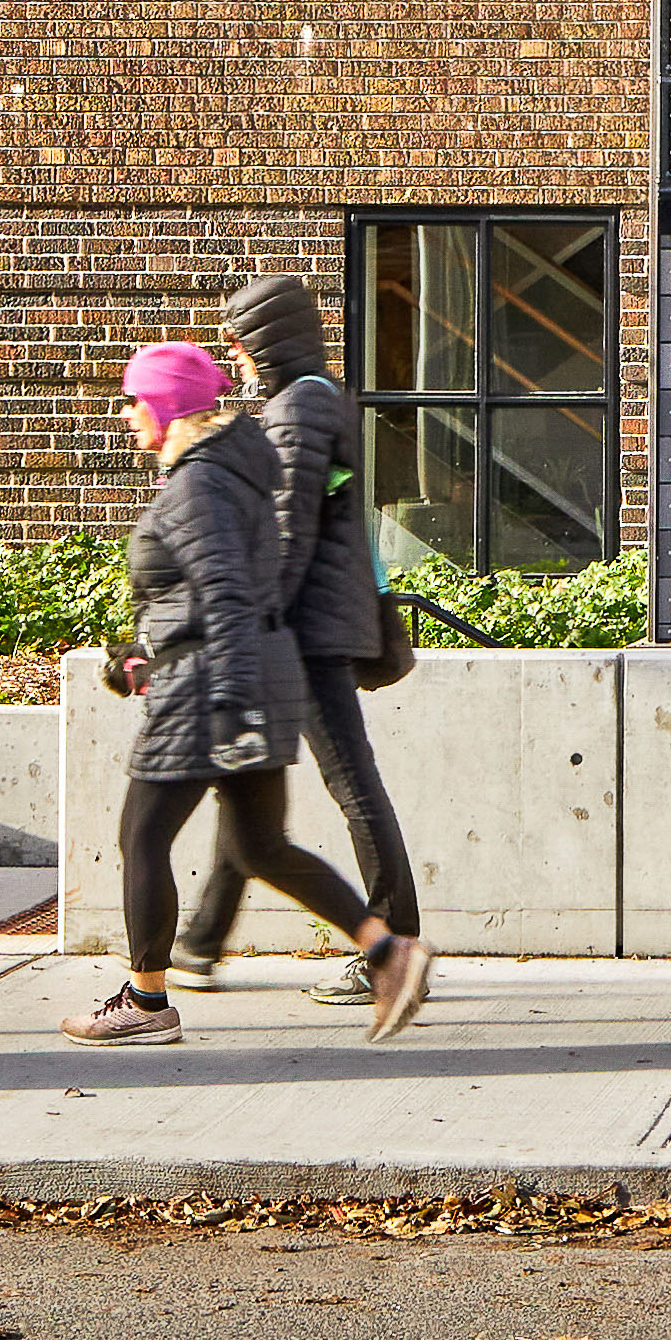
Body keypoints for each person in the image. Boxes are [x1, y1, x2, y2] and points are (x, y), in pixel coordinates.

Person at [55, 339, 426, 1047]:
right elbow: (215, 595)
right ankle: (388, 952)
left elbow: (225, 597)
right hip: (248, 678)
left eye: (137, 399)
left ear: (166, 406)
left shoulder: (198, 485)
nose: (129, 413)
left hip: (210, 695)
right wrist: (143, 653)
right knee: (263, 848)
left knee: (142, 837)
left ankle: (145, 1000)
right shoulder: (231, 470)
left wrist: (226, 706)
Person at [167, 275, 426, 1010]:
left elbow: (286, 532)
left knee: (352, 788)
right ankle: (200, 942)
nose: (233, 356)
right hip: (304, 627)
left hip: (304, 634)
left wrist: (248, 628)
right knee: (250, 784)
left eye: (238, 340)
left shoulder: (300, 407)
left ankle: (394, 944)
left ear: (266, 339)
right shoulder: (313, 398)